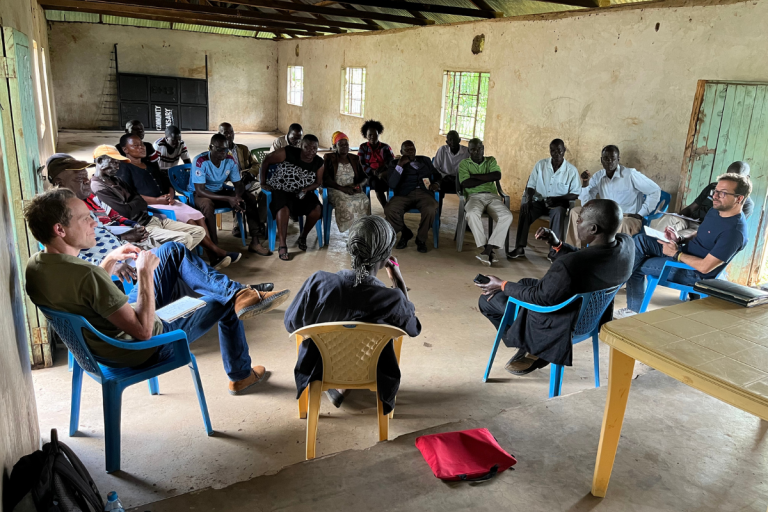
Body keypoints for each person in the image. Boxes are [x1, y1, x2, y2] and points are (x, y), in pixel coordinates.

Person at [24, 188, 290, 394]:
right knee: (223, 299)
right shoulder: (87, 275)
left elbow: (86, 293)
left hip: (102, 339)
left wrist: (110, 260)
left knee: (172, 250)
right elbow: (143, 332)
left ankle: (241, 294)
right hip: (139, 348)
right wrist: (144, 274)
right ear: (60, 229)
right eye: (85, 219)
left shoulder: (36, 267)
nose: (94, 222)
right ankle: (241, 373)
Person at [476, 199, 634, 375]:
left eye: (580, 220)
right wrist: (557, 244)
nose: (577, 222)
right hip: (591, 315)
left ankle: (536, 347)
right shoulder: (626, 245)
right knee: (523, 283)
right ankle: (533, 346)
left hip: (562, 322)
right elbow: (588, 258)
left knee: (487, 300)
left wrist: (501, 284)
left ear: (593, 229)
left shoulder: (568, 265)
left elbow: (540, 298)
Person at [285, 215, 420, 410]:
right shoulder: (392, 299)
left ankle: (340, 387)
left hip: (319, 367)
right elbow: (412, 327)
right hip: (372, 370)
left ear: (350, 248)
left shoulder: (319, 282)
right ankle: (345, 386)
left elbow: (292, 323)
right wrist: (398, 282)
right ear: (386, 256)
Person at [617, 173, 750, 317]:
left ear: (739, 198)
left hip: (692, 272)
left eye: (722, 193)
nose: (715, 196)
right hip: (684, 252)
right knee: (640, 240)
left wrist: (676, 254)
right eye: (715, 191)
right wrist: (680, 238)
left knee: (636, 264)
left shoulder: (735, 232)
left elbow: (705, 267)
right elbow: (700, 233)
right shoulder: (716, 211)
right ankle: (617, 284)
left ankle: (632, 308)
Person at [119, 134, 244, 268]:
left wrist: (170, 196)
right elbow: (131, 196)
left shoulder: (151, 165)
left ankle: (214, 256)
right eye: (135, 146)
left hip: (168, 202)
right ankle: (216, 254)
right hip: (151, 205)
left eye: (142, 144)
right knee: (189, 220)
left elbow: (168, 183)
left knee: (199, 216)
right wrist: (157, 200)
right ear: (125, 149)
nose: (141, 148)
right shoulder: (124, 169)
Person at [91, 145, 238, 258]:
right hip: (140, 227)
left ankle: (180, 260)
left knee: (198, 231)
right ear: (99, 161)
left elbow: (137, 198)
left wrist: (136, 202)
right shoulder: (98, 187)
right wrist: (138, 202)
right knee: (185, 238)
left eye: (118, 162)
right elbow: (126, 211)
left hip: (151, 218)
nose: (117, 166)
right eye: (114, 162)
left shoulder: (116, 179)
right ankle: (176, 263)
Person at [190, 134, 271, 259]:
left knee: (248, 198)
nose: (224, 152)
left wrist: (237, 197)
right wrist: (228, 199)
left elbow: (238, 184)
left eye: (226, 149)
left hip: (219, 191)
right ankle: (214, 248)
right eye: (219, 149)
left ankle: (255, 242)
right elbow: (200, 191)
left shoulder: (229, 160)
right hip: (202, 194)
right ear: (211, 147)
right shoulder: (200, 161)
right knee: (207, 205)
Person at [565, 145, 661, 248]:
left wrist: (641, 214)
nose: (609, 161)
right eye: (606, 158)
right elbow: (587, 205)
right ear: (601, 160)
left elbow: (655, 191)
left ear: (618, 159)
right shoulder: (598, 176)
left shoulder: (630, 175)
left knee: (623, 223)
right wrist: (585, 183)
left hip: (628, 216)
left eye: (613, 158)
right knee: (575, 212)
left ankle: (619, 258)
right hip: (605, 215)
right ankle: (573, 250)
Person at [508, 139, 580, 260]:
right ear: (549, 150)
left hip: (558, 204)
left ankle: (554, 252)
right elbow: (530, 186)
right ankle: (520, 247)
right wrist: (528, 199)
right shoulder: (541, 165)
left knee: (558, 213)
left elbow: (575, 193)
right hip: (539, 202)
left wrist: (558, 199)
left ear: (564, 151)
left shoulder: (571, 171)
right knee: (525, 210)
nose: (556, 154)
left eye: (559, 151)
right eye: (553, 150)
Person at [260, 135, 324, 261]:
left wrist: (306, 189)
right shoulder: (288, 152)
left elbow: (318, 182)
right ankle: (283, 244)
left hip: (302, 192)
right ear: (301, 146)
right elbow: (266, 160)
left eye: (314, 148)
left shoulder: (318, 163)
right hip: (281, 190)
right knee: (282, 209)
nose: (310, 151)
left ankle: (303, 236)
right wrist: (262, 182)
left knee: (316, 209)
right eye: (307, 147)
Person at [651, 161, 754, 237]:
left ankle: (657, 254)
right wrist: (679, 216)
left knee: (674, 237)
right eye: (728, 176)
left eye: (737, 178)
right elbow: (691, 208)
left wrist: (704, 231)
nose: (716, 195)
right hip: (691, 220)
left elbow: (728, 228)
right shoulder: (713, 187)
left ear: (747, 178)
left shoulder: (745, 204)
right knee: (669, 221)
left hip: (705, 230)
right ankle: (650, 245)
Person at [458, 138, 513, 266]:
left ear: (483, 148)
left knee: (507, 216)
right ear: (469, 151)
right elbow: (466, 183)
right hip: (473, 197)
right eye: (473, 149)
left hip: (493, 197)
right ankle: (487, 250)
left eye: (479, 148)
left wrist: (474, 177)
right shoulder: (464, 164)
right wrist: (487, 177)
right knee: (471, 214)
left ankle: (487, 250)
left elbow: (496, 176)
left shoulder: (491, 160)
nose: (476, 151)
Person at [385, 140, 441, 254]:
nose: (411, 152)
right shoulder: (394, 163)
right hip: (404, 194)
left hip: (424, 193)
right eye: (407, 150)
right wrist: (400, 165)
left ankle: (421, 240)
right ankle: (405, 232)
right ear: (401, 152)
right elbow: (392, 184)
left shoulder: (425, 160)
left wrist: (436, 184)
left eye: (413, 149)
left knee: (431, 208)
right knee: (390, 209)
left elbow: (437, 175)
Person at [218, 122, 268, 238]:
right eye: (226, 133)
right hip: (229, 182)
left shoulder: (243, 149)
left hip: (247, 180)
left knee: (265, 190)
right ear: (219, 134)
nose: (229, 135)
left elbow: (256, 164)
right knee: (237, 193)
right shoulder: (218, 151)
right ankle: (237, 226)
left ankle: (260, 222)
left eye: (231, 132)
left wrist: (250, 173)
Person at [323, 131, 370, 234]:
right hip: (336, 189)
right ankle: (351, 231)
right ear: (335, 146)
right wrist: (342, 188)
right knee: (346, 203)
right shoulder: (329, 158)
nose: (344, 146)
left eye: (346, 144)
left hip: (352, 188)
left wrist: (358, 185)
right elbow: (326, 179)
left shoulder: (354, 158)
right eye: (341, 144)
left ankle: (362, 229)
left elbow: (364, 177)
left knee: (365, 200)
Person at [358, 119, 394, 209]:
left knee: (392, 181)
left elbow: (391, 162)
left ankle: (392, 208)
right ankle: (386, 207)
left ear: (379, 134)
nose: (372, 137)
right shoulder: (363, 147)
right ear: (365, 135)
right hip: (369, 175)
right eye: (370, 135)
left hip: (383, 174)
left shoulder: (385, 147)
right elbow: (361, 164)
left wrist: (382, 170)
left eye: (375, 134)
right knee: (376, 183)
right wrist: (372, 171)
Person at [433, 130, 469, 196]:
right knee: (437, 184)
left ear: (459, 140)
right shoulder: (442, 150)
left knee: (468, 186)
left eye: (455, 139)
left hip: (460, 179)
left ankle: (465, 205)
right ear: (447, 142)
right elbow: (435, 168)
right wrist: (445, 176)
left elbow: (470, 169)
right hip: (445, 179)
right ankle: (439, 205)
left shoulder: (466, 152)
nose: (452, 142)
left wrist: (458, 178)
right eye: (450, 140)